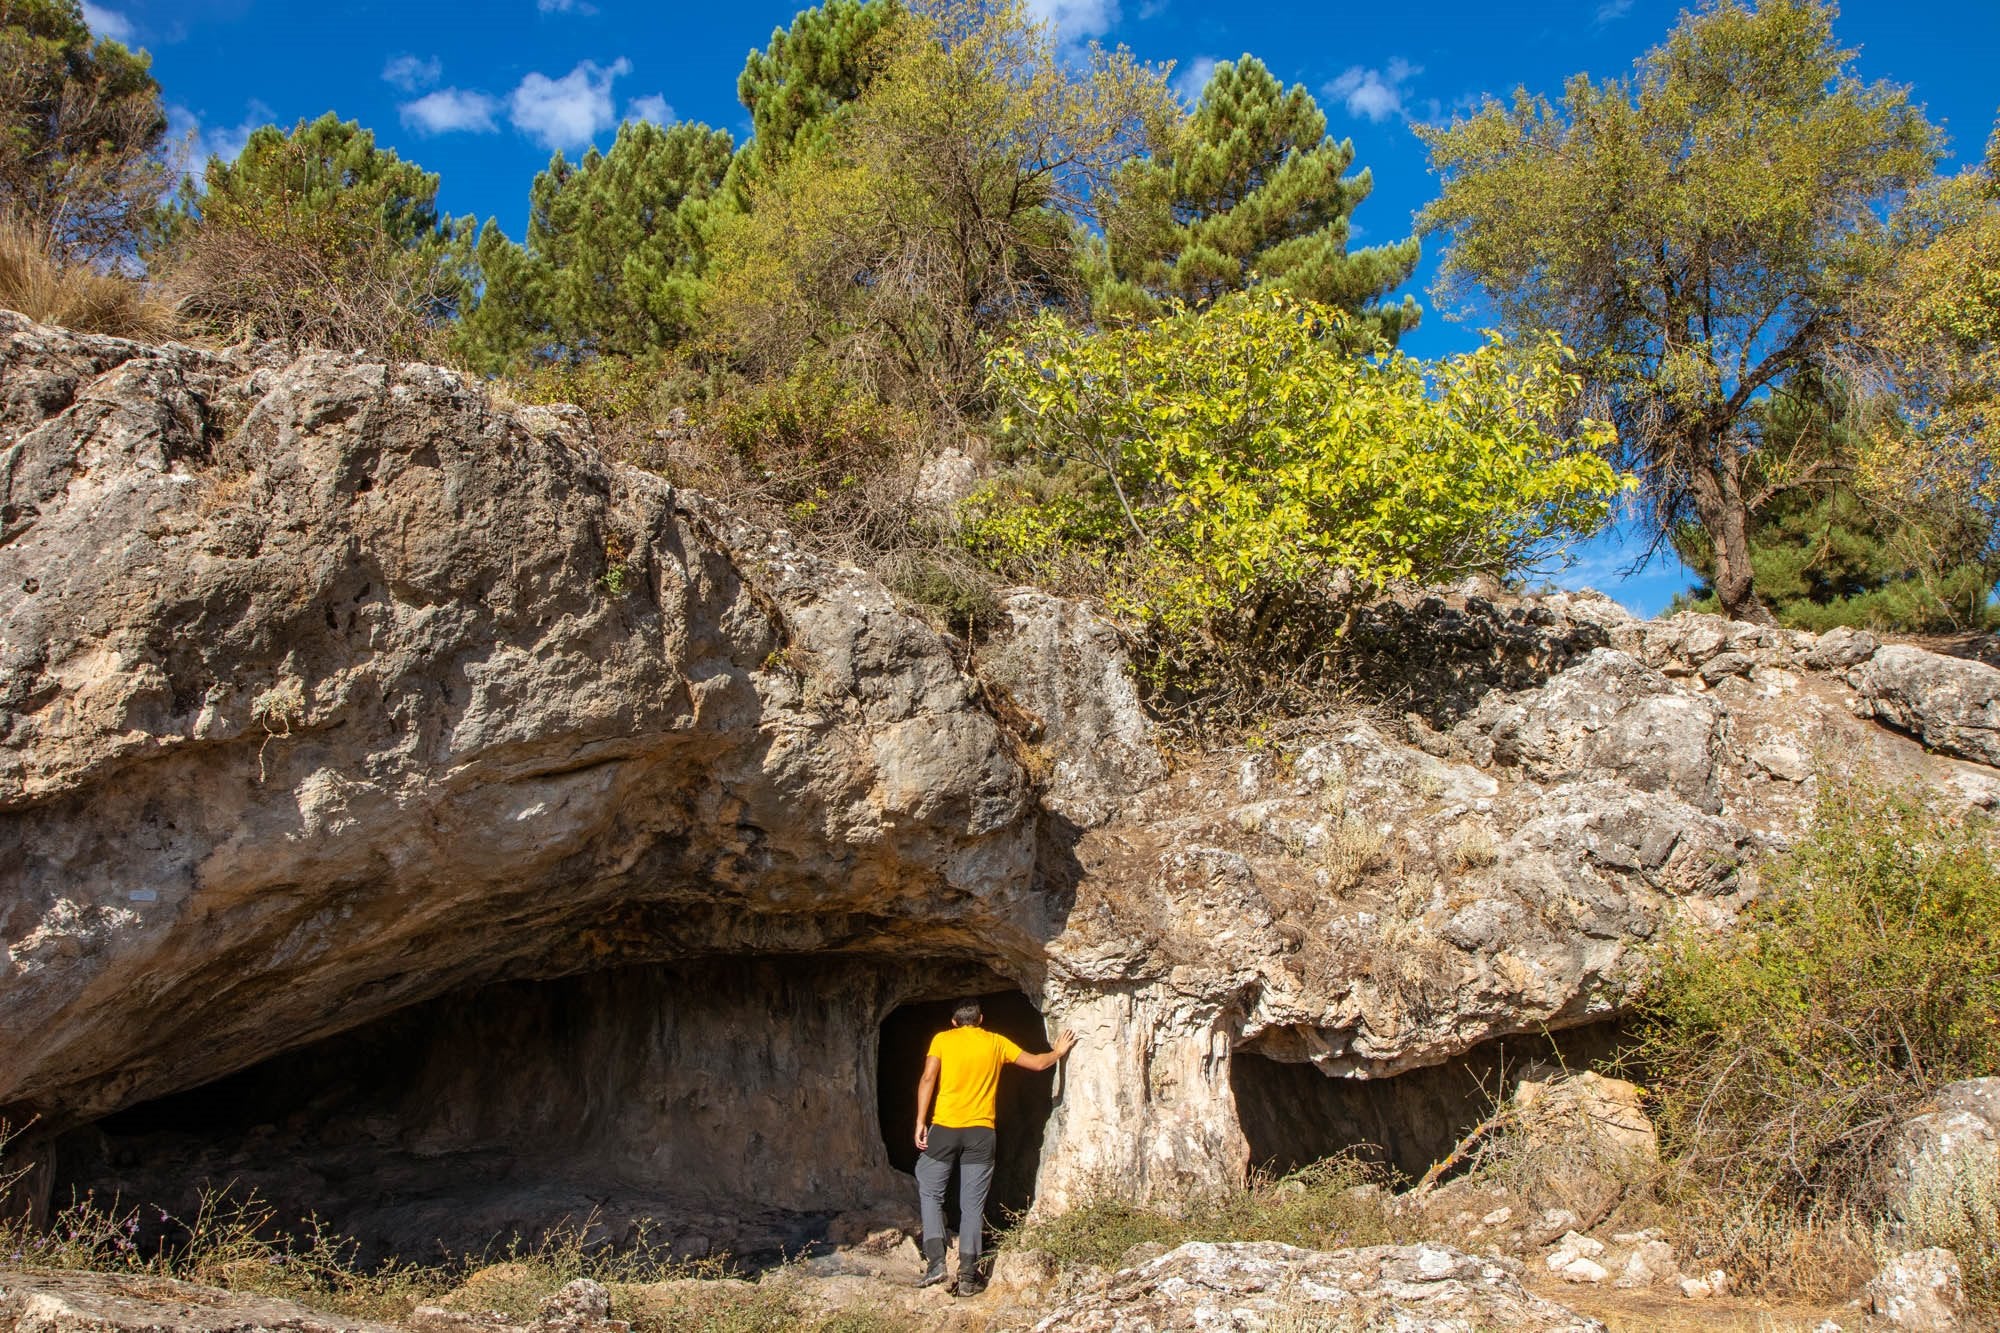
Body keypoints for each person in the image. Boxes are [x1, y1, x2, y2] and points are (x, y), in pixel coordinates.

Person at [912, 999, 1076, 1296]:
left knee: (930, 1190)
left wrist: (920, 1121)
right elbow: (1038, 1063)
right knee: (972, 1206)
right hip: (981, 1133)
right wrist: (1059, 1052)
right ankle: (968, 1278)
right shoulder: (995, 1042)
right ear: (981, 1019)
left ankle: (936, 1264)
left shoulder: (942, 1040)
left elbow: (927, 1078)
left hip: (945, 1128)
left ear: (953, 1022)